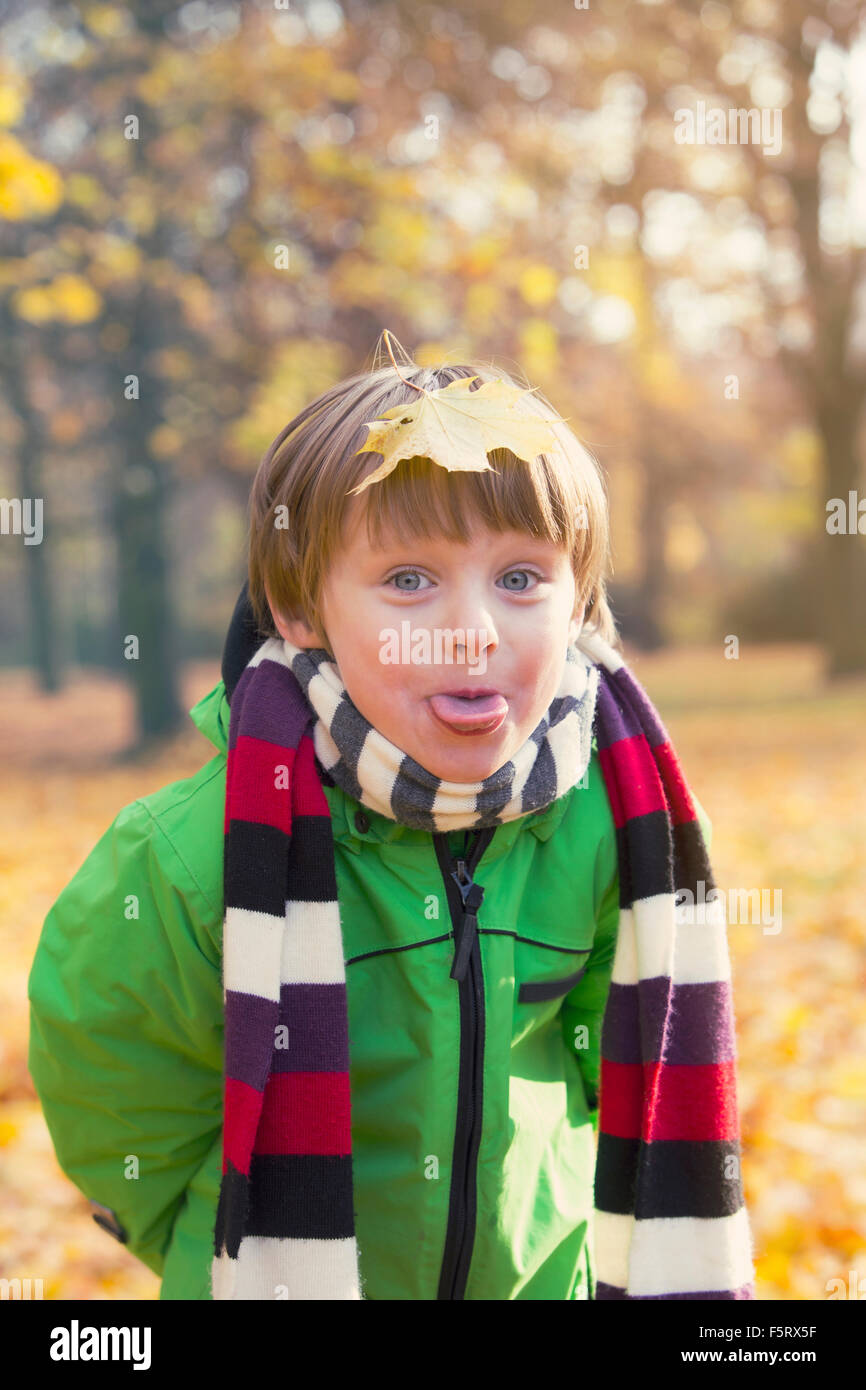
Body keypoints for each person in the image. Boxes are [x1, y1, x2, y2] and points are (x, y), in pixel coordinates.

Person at [28, 350, 755, 1300]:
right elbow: (115, 1084)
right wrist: (199, 1227)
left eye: (522, 578)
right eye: (409, 579)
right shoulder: (188, 853)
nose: (471, 632)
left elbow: (623, 1056)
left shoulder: (609, 820)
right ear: (299, 607)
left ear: (579, 603)